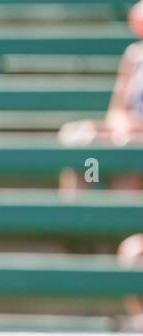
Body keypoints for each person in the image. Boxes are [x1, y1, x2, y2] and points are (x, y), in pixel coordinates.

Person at [58, 0, 143, 192]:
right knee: (82, 139)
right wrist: (123, 126)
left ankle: (119, 219)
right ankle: (84, 210)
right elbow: (117, 110)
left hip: (135, 146)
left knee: (128, 156)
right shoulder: (134, 55)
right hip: (127, 136)